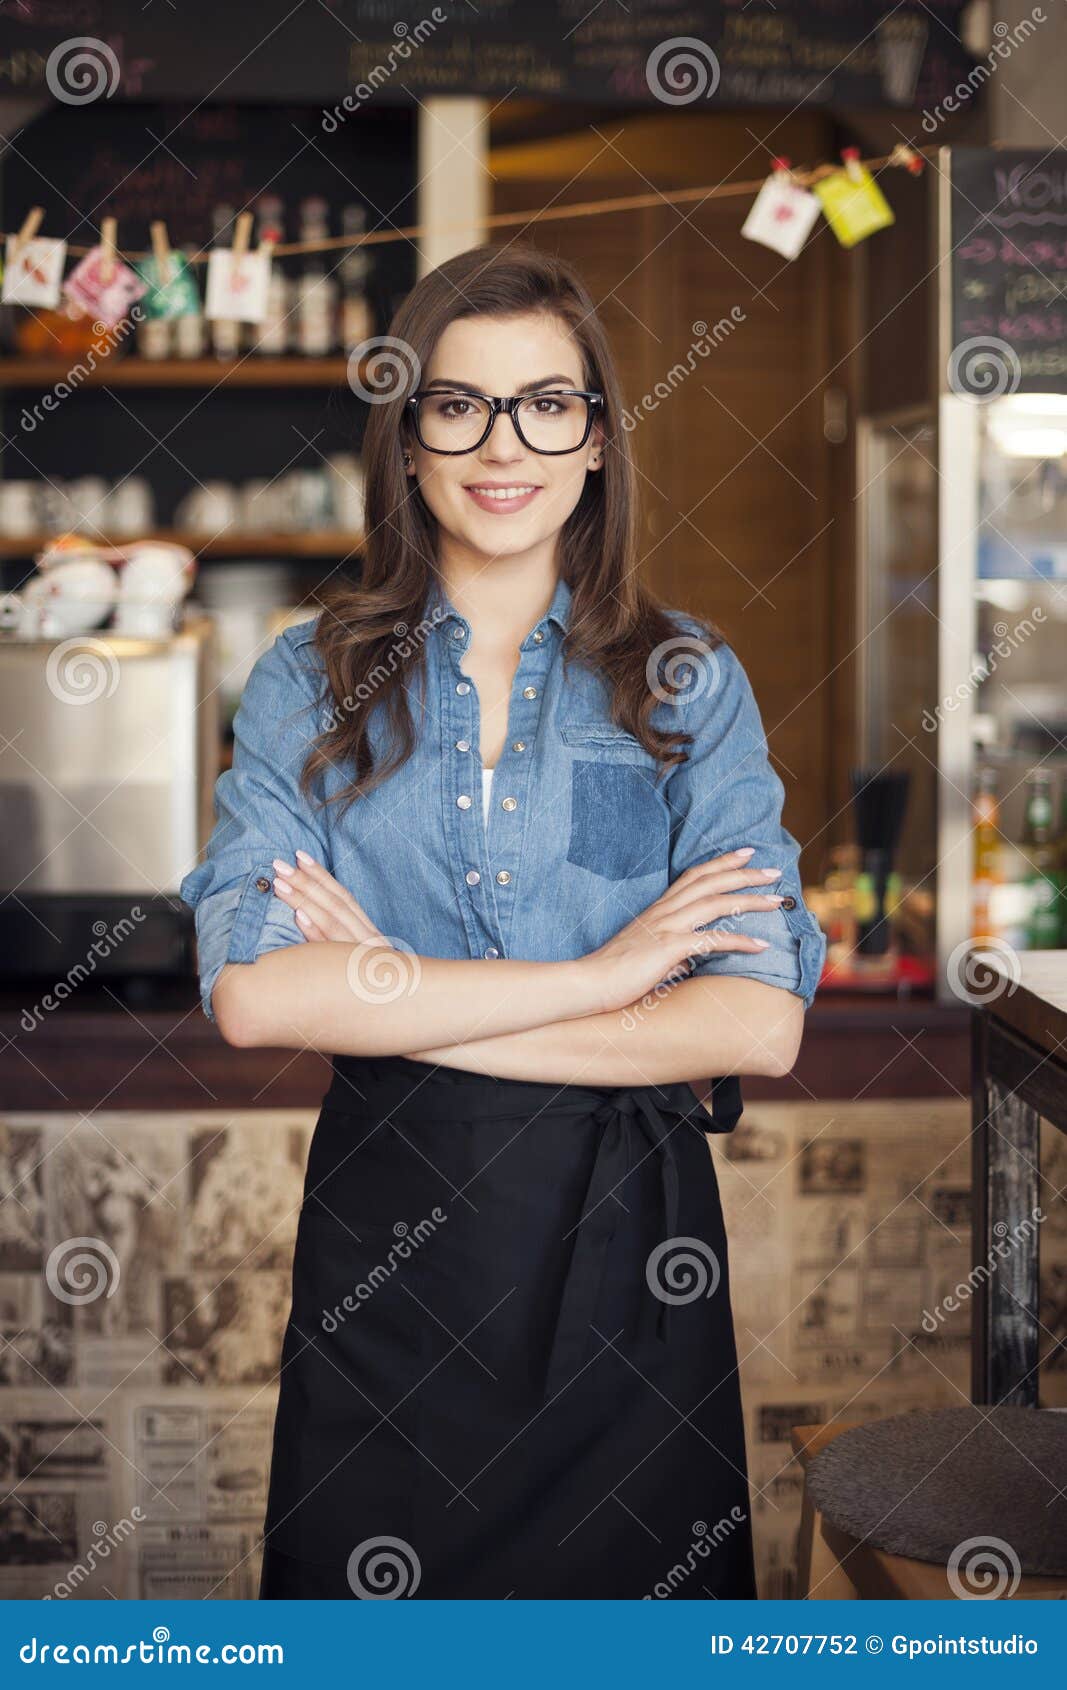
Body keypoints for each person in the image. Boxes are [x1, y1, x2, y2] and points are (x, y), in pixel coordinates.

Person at [180, 243, 827, 1600]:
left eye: (548, 403)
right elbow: (254, 994)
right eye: (457, 405)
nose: (503, 443)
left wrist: (395, 991)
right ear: (408, 441)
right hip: (389, 1271)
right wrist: (610, 977)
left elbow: (758, 1022)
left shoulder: (685, 681)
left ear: (596, 443)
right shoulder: (312, 678)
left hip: (628, 1255)